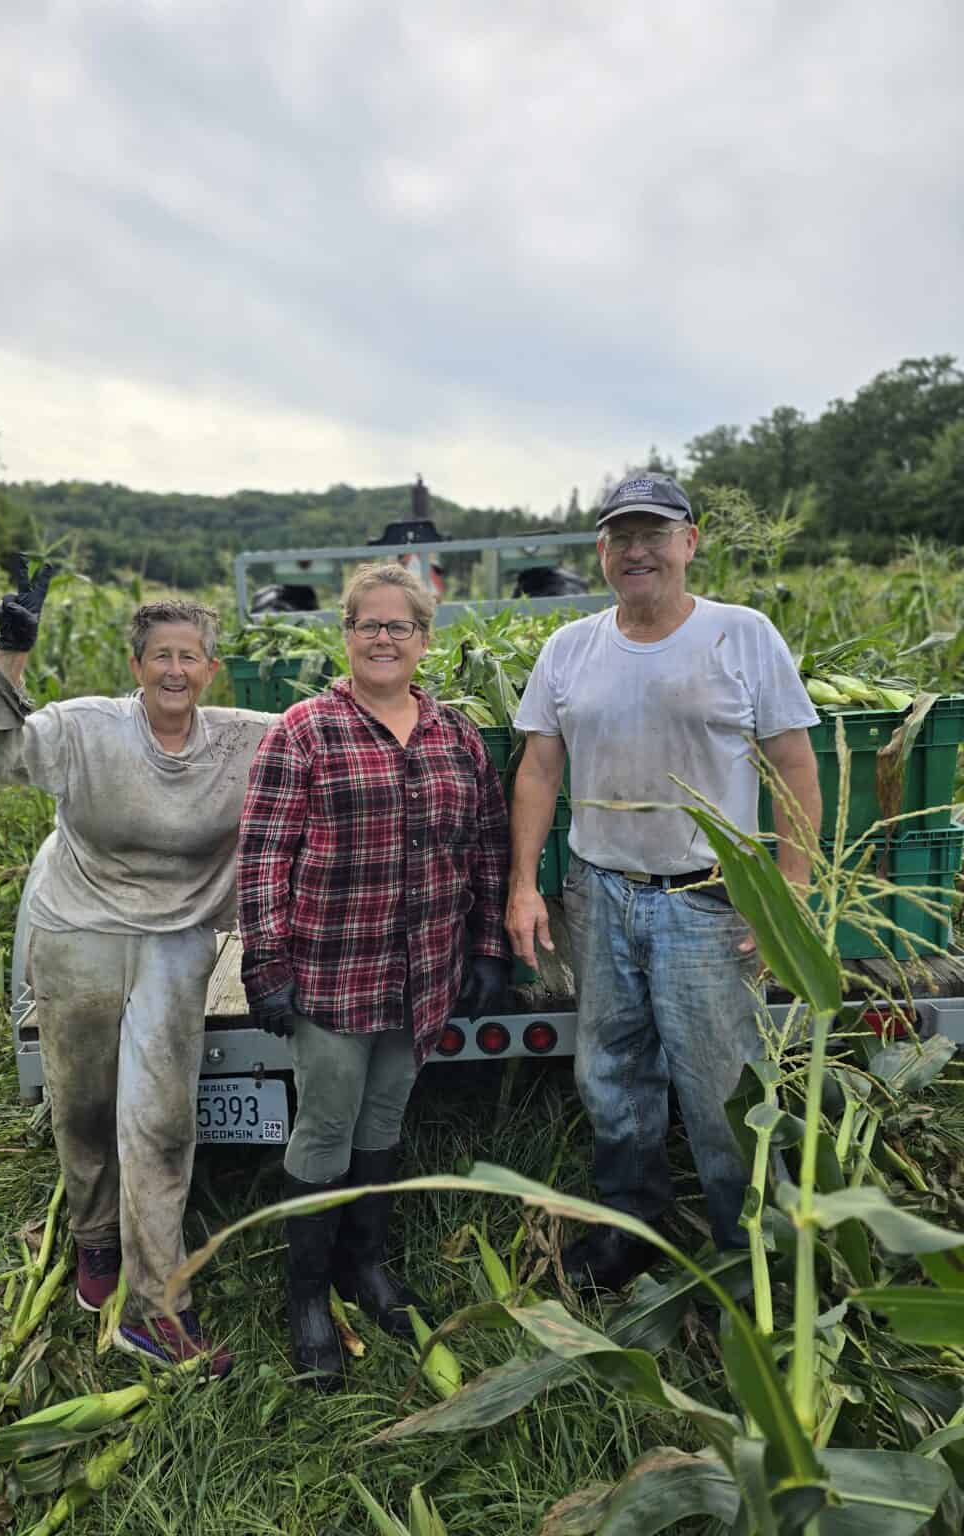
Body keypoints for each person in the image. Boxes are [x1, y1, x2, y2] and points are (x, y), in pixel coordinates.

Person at [506, 474, 822, 1290]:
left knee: (722, 1087)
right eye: (622, 537)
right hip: (600, 888)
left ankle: (754, 1258)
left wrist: (791, 884)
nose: (638, 550)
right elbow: (540, 769)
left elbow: (792, 762)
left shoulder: (741, 635)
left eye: (656, 533)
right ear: (602, 553)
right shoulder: (569, 648)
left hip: (709, 896)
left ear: (690, 541)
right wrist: (524, 885)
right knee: (611, 1074)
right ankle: (631, 1231)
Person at [0, 564, 274, 1370]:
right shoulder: (84, 729)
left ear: (211, 667)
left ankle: (156, 1307)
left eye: (190, 656)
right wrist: (11, 653)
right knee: (85, 1103)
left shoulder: (244, 738)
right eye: (160, 655)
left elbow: (333, 738)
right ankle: (94, 1236)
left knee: (161, 1120)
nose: (175, 669)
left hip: (176, 938)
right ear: (136, 667)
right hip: (78, 933)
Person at [237, 563, 509, 1390]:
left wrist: (488, 945)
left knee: (384, 1119)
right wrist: (266, 962)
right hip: (333, 971)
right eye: (369, 625)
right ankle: (308, 1296)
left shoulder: (454, 734)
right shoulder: (304, 730)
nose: (384, 639)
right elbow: (262, 856)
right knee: (325, 1126)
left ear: (426, 641)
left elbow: (487, 843)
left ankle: (369, 1265)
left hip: (423, 971)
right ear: (346, 635)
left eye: (401, 627)